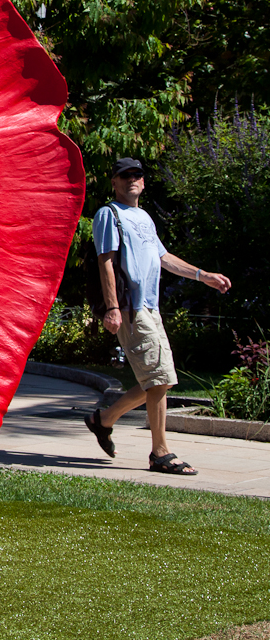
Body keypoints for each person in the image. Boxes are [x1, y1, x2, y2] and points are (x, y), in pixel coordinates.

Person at [83, 156, 231, 474]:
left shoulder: (144, 218)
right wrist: (112, 308)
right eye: (124, 176)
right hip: (130, 308)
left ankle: (103, 420)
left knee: (158, 380)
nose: (131, 180)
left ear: (144, 182)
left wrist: (202, 275)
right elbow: (105, 262)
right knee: (160, 378)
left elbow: (163, 258)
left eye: (136, 175)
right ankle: (160, 453)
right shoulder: (109, 215)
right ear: (114, 182)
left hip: (151, 308)